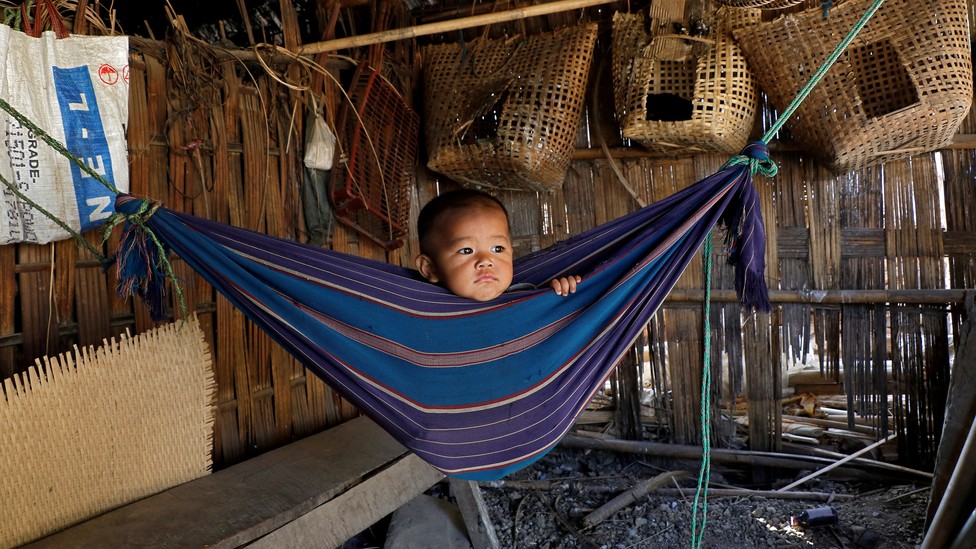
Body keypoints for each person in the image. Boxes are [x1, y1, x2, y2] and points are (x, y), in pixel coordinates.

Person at [415, 189, 581, 301]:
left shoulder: (527, 298)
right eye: (466, 250)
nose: (486, 260)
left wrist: (562, 294)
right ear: (430, 268)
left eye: (497, 249)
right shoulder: (421, 312)